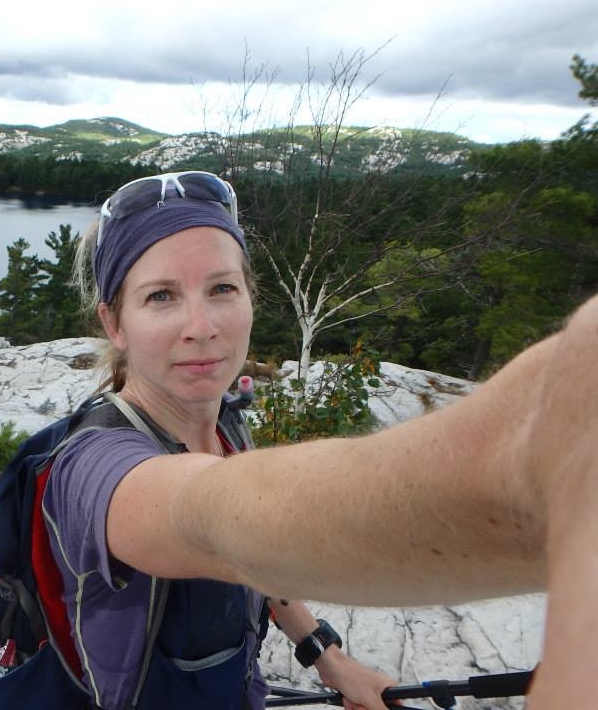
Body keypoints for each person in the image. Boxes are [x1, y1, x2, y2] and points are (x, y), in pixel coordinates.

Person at [42, 170, 597, 710]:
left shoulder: (225, 419)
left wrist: (327, 657)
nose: (201, 326)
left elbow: (257, 566)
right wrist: (545, 446)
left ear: (250, 297)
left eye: (222, 288)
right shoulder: (93, 465)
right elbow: (222, 526)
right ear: (114, 323)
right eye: (161, 296)